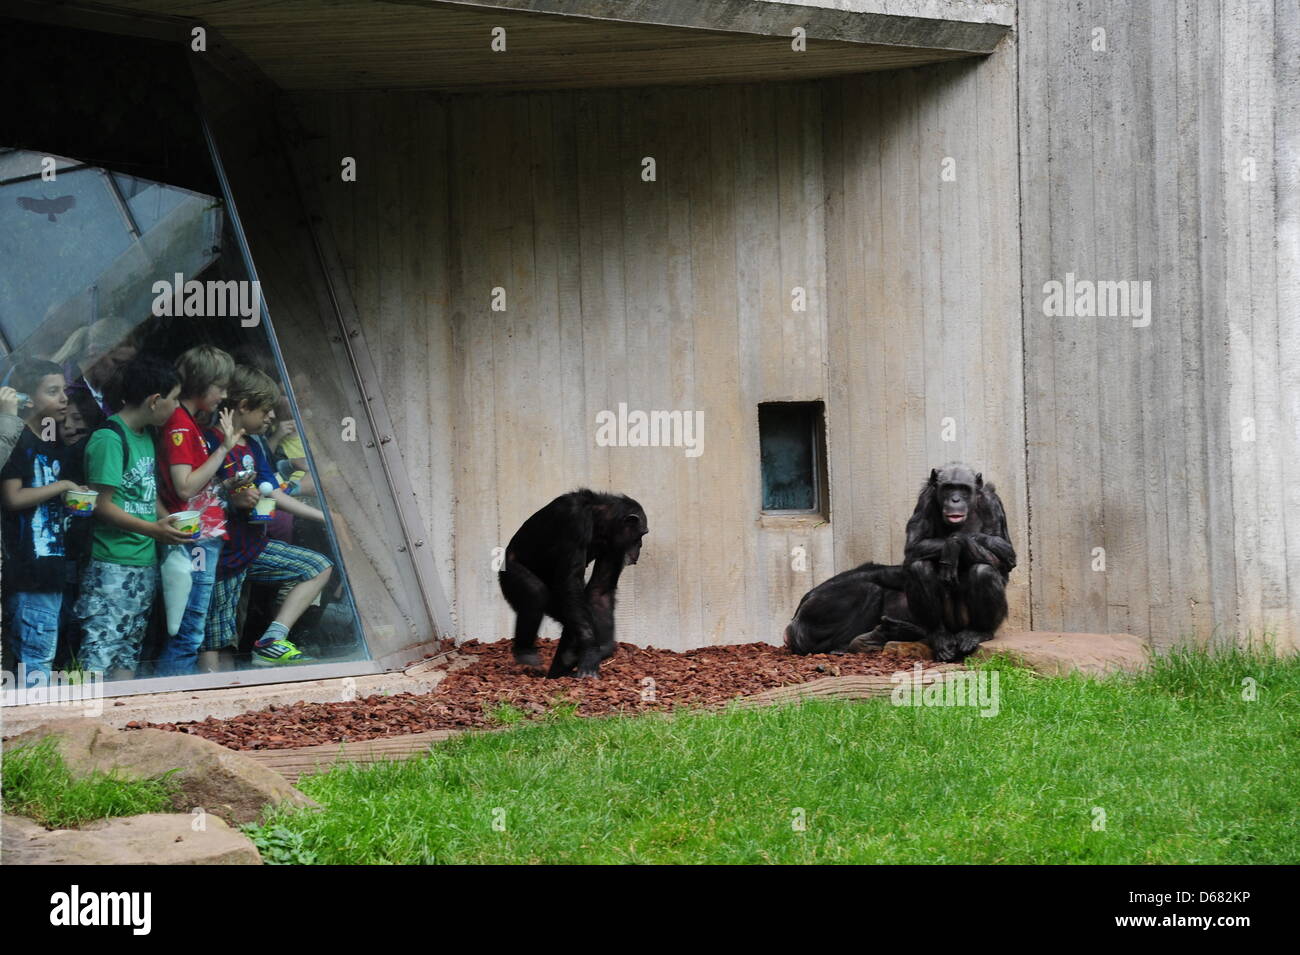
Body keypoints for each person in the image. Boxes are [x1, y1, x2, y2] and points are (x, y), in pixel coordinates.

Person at [201, 365, 332, 668]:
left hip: (252, 549)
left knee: (318, 567)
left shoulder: (255, 443)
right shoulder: (210, 441)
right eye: (266, 410)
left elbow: (273, 492)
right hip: (223, 557)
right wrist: (232, 498)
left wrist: (322, 516)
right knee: (216, 639)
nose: (272, 417)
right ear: (243, 406)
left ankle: (272, 640)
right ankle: (211, 696)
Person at [74, 356, 193, 681]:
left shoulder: (144, 436)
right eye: (174, 399)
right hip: (111, 567)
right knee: (99, 651)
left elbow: (144, 490)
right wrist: (154, 530)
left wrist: (170, 524)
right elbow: (102, 504)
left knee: (128, 651)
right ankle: (82, 726)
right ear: (155, 401)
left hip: (143, 563)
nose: (177, 407)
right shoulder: (110, 438)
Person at [153, 345, 239, 677]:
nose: (224, 394)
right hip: (194, 539)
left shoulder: (188, 420)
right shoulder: (179, 421)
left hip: (202, 535)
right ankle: (170, 705)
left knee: (191, 626)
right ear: (202, 382)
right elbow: (184, 486)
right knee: (188, 627)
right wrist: (224, 451)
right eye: (220, 386)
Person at [0, 361, 87, 686]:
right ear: (26, 399)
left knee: (42, 657)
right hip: (28, 572)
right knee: (36, 663)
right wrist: (62, 487)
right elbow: (12, 497)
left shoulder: (48, 444)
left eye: (64, 389)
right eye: (53, 391)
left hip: (50, 566)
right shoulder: (17, 440)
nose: (64, 398)